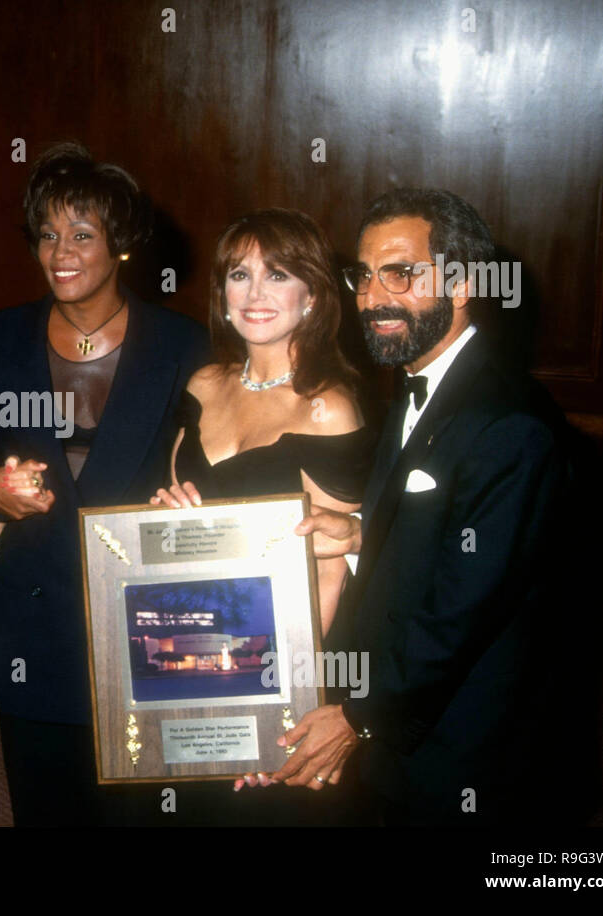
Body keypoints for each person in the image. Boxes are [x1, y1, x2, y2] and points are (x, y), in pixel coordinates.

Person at [284, 188, 581, 825]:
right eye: (363, 276)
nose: (372, 297)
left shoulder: (510, 424)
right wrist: (363, 531)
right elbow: (455, 533)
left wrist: (357, 718)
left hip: (469, 752)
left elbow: (459, 615)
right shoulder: (420, 382)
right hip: (412, 740)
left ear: (465, 282)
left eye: (401, 273)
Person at [0, 142, 208, 825]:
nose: (60, 252)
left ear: (121, 245)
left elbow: (206, 475)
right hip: (33, 627)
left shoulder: (184, 347)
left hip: (140, 626)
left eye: (81, 234)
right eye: (47, 234)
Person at [148, 209, 373, 825]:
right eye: (239, 275)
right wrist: (164, 520)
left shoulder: (327, 406)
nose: (254, 294)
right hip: (193, 642)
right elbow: (169, 514)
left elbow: (334, 571)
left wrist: (270, 703)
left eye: (277, 275)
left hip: (287, 664)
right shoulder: (202, 382)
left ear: (313, 295)